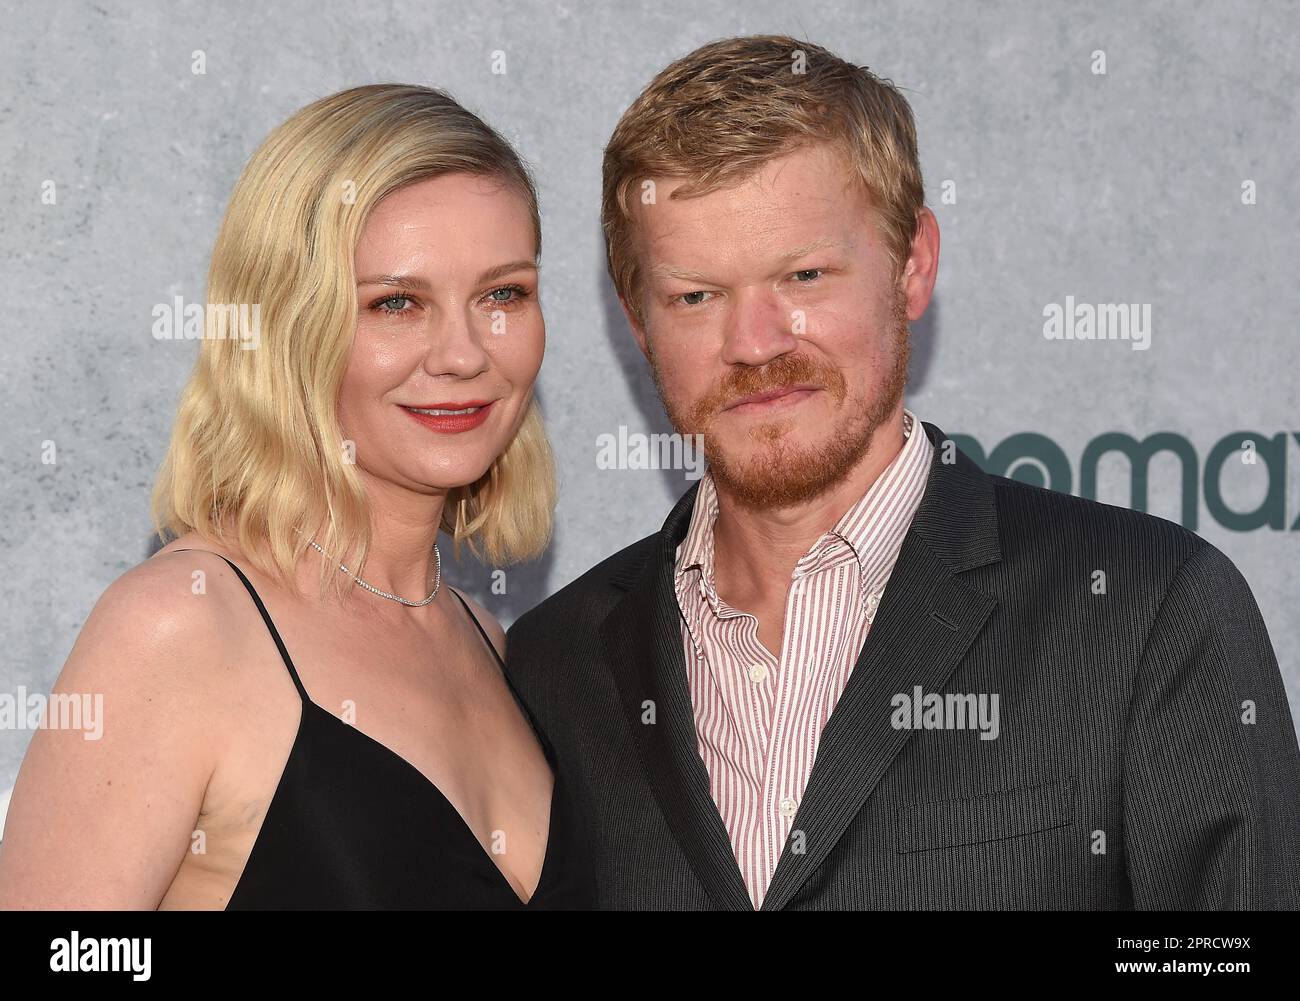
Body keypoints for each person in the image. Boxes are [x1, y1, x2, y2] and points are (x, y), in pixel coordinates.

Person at [504, 35, 1300, 910]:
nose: (755, 343)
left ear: (913, 265)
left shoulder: (1148, 610)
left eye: (804, 275)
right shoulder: (556, 664)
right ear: (637, 316)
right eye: (697, 295)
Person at [0, 84, 593, 910]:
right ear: (286, 326)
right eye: (397, 302)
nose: (465, 353)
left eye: (503, 294)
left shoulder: (489, 643)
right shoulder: (182, 626)